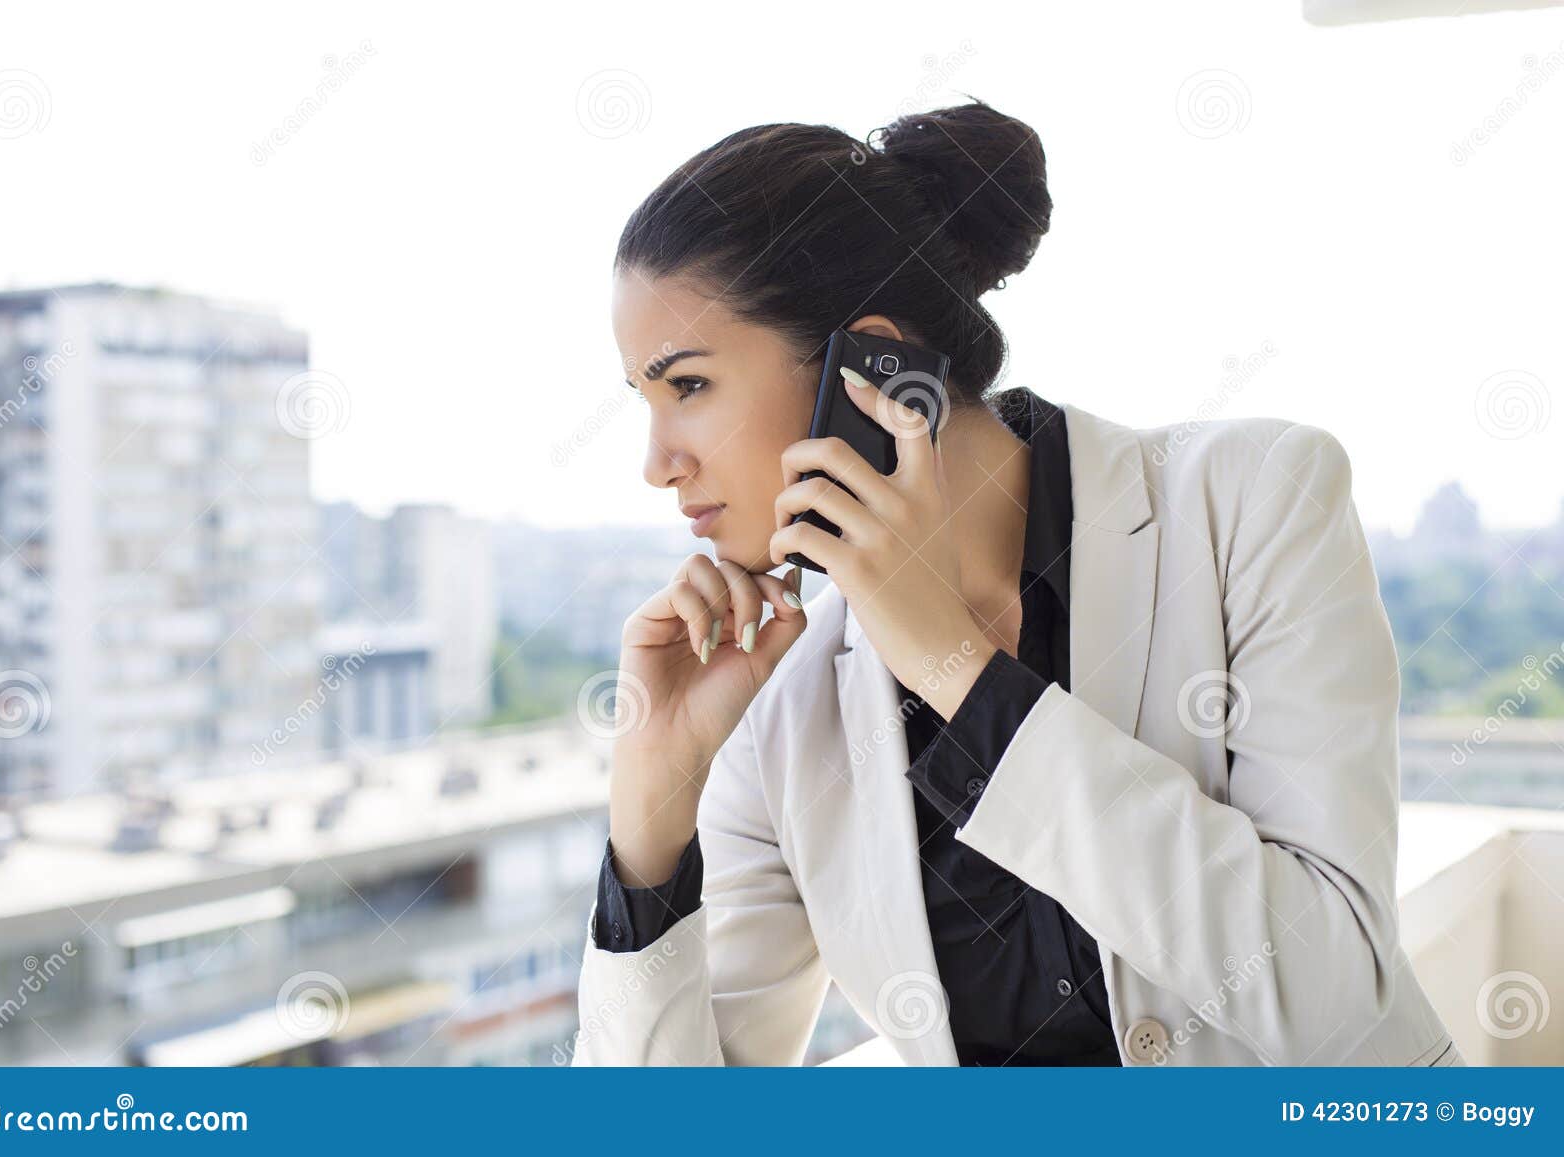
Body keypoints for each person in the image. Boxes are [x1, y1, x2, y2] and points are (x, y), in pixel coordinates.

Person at [570, 100, 1463, 1068]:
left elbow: (1341, 1007)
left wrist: (953, 665)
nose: (658, 463)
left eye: (688, 386)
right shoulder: (780, 703)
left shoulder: (1254, 501)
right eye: (644, 401)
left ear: (871, 370)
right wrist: (649, 827)